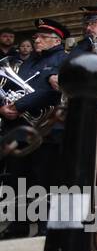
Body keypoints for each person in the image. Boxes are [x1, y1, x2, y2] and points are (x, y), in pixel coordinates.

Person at [0, 19, 70, 238]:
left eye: (41, 37)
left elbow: (52, 93)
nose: (36, 40)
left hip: (45, 131)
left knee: (43, 178)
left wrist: (19, 106)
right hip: (18, 129)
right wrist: (3, 107)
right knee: (17, 178)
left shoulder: (62, 59)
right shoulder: (29, 61)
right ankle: (18, 224)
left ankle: (44, 224)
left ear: (55, 40)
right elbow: (9, 85)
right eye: (36, 37)